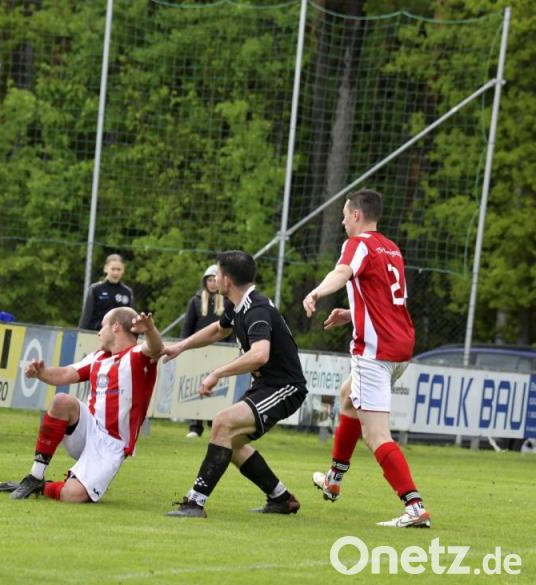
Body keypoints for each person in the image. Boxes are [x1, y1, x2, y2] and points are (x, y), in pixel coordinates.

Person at [302, 188, 429, 528]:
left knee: (376, 436)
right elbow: (385, 298)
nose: (343, 221)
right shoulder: (391, 247)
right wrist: (352, 313)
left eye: (345, 215)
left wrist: (316, 292)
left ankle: (414, 507)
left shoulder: (357, 244)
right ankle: (333, 480)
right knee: (347, 396)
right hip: (401, 346)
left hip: (374, 351)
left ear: (356, 215)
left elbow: (342, 273)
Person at [164, 250, 306, 518]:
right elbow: (219, 329)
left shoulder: (256, 309)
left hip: (285, 387)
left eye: (217, 273)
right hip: (267, 385)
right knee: (230, 440)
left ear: (227, 280)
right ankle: (281, 498)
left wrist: (217, 373)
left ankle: (195, 503)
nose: (215, 278)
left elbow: (260, 354)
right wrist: (181, 346)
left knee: (222, 423)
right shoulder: (238, 304)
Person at [0, 307, 162, 502]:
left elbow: (156, 348)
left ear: (116, 327)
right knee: (61, 401)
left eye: (103, 326)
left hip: (112, 445)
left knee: (72, 495)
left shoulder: (137, 355)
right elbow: (65, 374)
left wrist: (150, 329)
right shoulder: (98, 357)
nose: (99, 332)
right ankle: (35, 476)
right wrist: (41, 373)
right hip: (88, 429)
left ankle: (43, 487)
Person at [182, 264, 224, 438]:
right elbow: (187, 327)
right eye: (210, 280)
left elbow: (231, 329)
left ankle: (215, 422)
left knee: (217, 387)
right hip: (198, 350)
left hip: (220, 351)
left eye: (215, 280)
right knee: (197, 386)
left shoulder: (227, 302)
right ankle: (195, 426)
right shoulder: (196, 301)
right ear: (205, 282)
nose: (213, 283)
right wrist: (184, 347)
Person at [78, 254, 133, 331]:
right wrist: (81, 332)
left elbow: (130, 318)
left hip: (118, 334)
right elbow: (86, 317)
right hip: (97, 333)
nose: (116, 273)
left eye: (119, 269)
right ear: (106, 269)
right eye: (113, 269)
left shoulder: (127, 292)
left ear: (123, 270)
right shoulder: (95, 289)